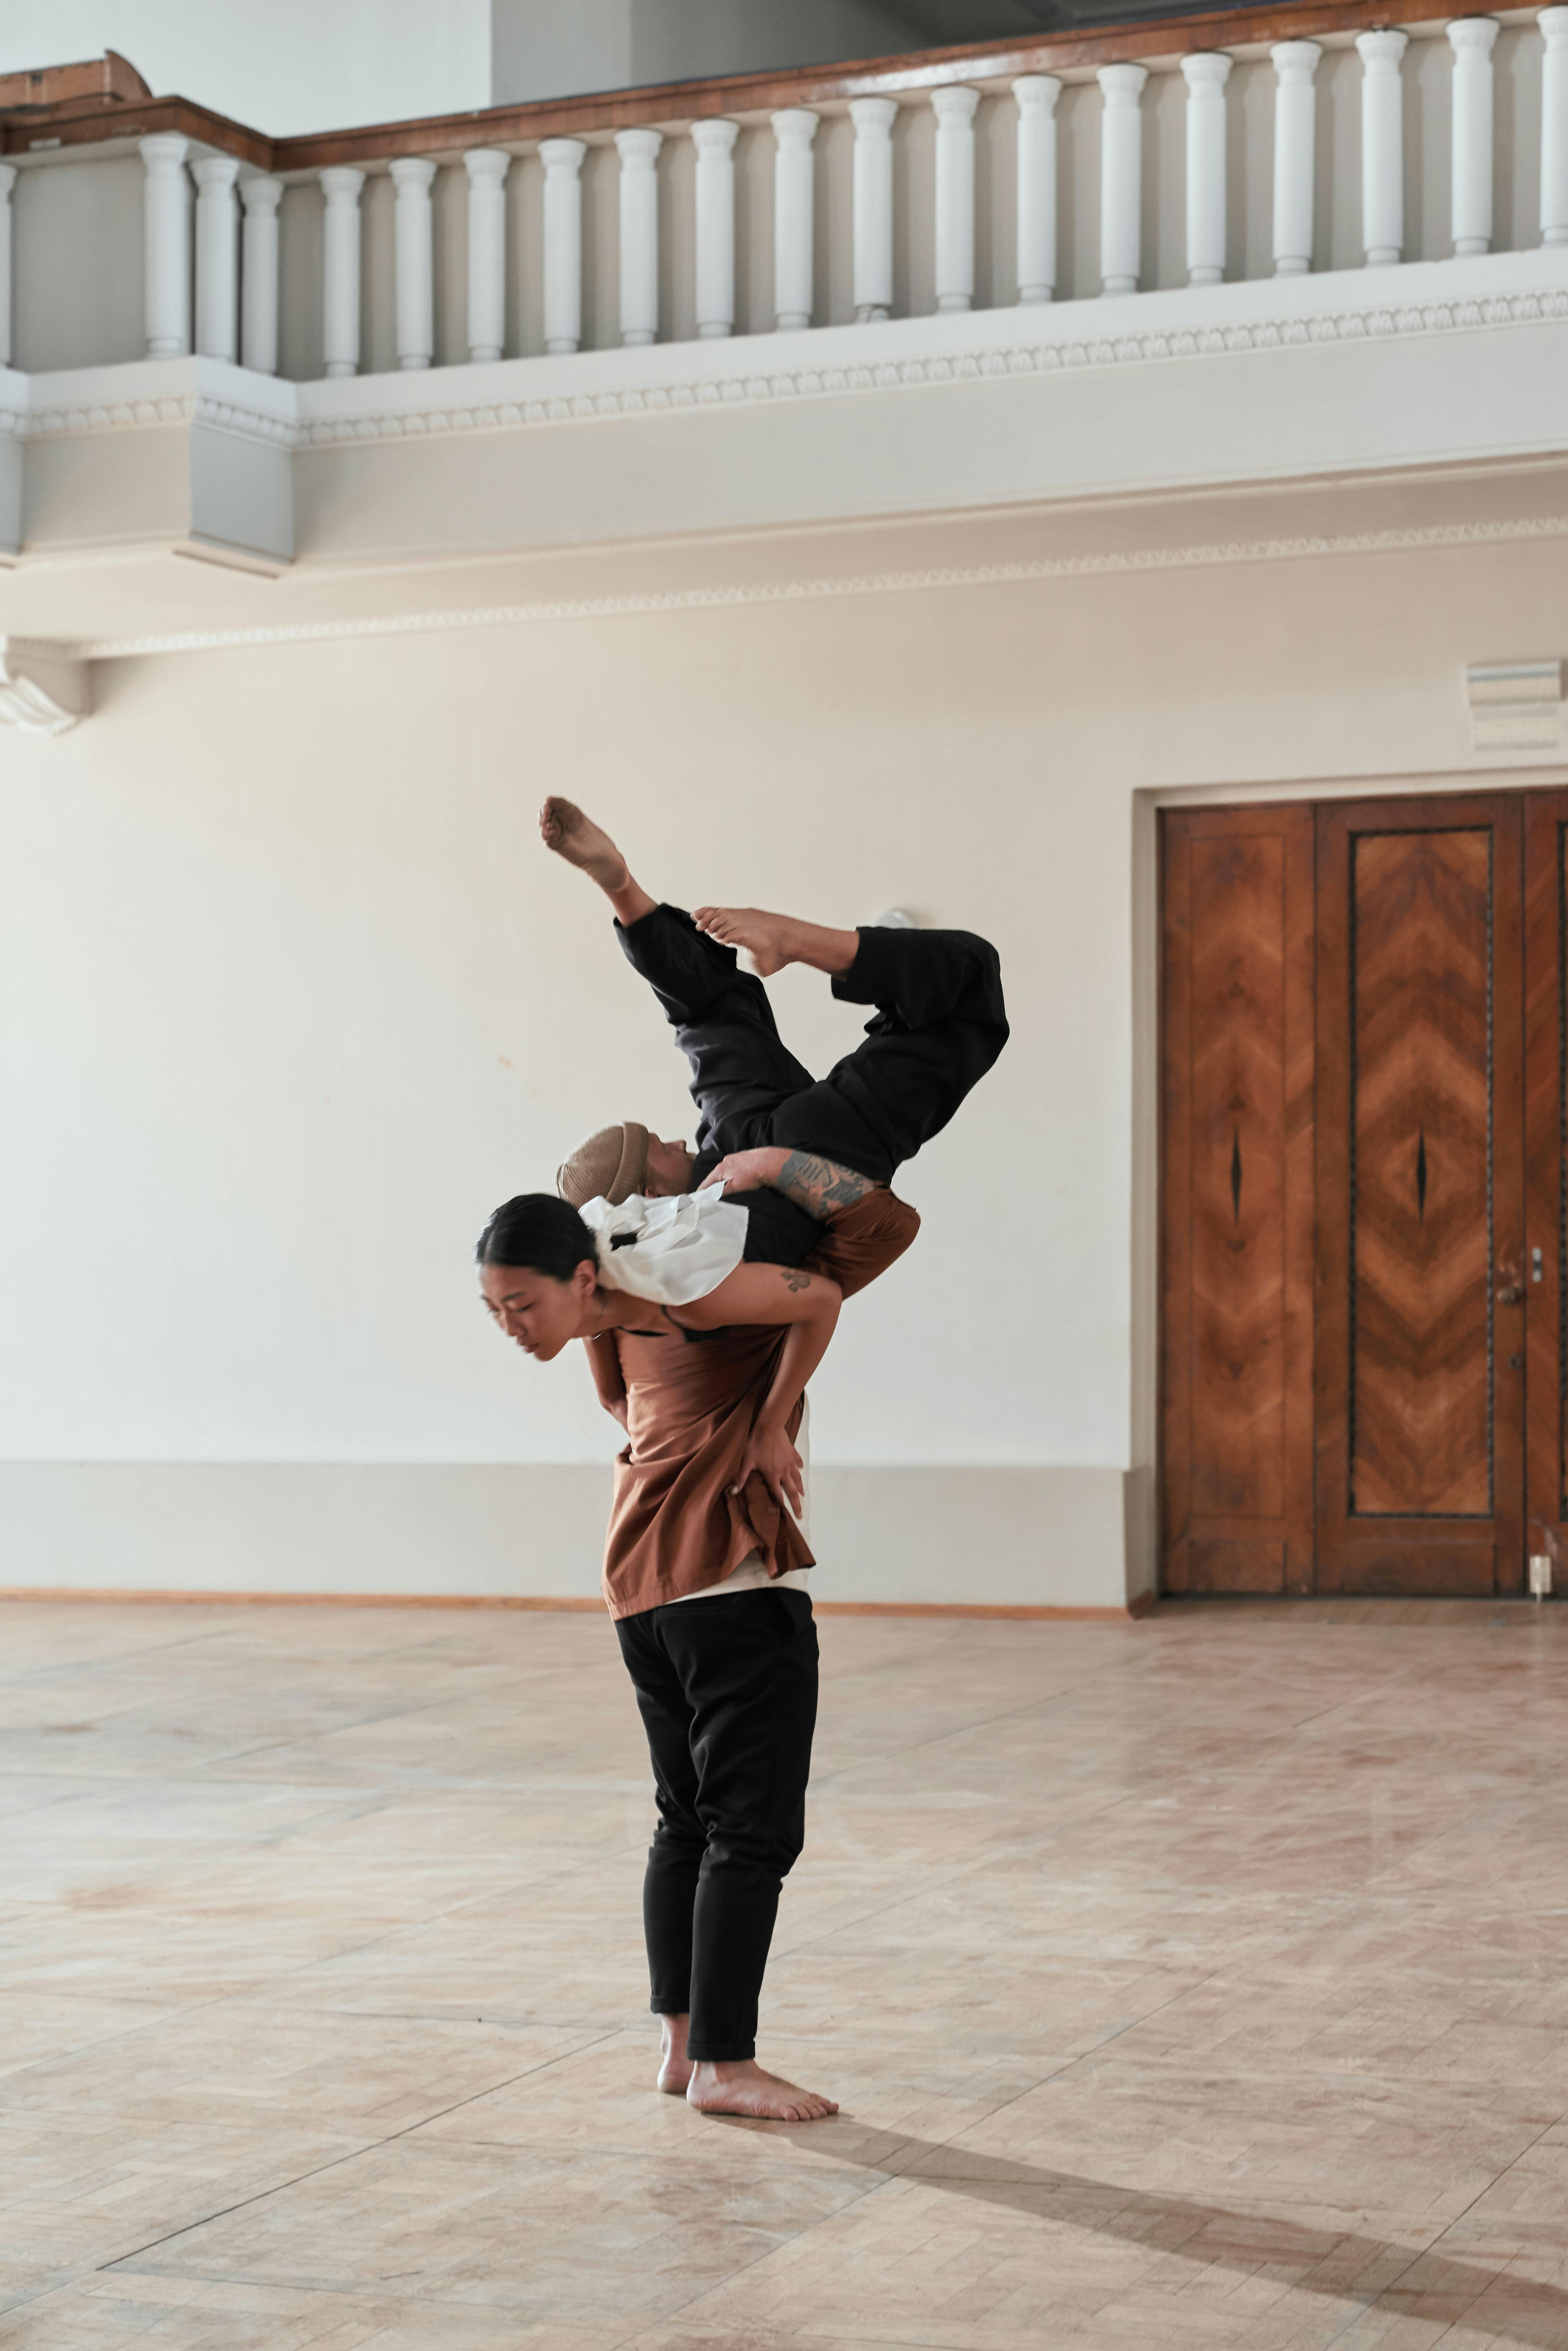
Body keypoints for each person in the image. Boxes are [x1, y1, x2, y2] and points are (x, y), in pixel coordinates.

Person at [478, 1177, 918, 2122]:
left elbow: (617, 1408)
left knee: (684, 1818)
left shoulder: (627, 1316)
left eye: (522, 1303)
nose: (511, 1325)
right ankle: (726, 2063)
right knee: (749, 1830)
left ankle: (683, 2050)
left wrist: (718, 1427)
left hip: (637, 1580)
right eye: (497, 1309)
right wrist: (761, 1424)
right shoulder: (695, 1288)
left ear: (581, 1276)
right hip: (725, 1581)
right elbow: (848, 1271)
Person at [538, 797, 1009, 1273]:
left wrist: (771, 1168)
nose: (678, 1144)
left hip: (788, 1165)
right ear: (651, 1194)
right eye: (661, 1150)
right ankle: (624, 889)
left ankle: (632, 890)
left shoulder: (706, 1256)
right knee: (706, 1017)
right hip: (752, 1155)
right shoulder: (709, 1250)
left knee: (967, 1001)